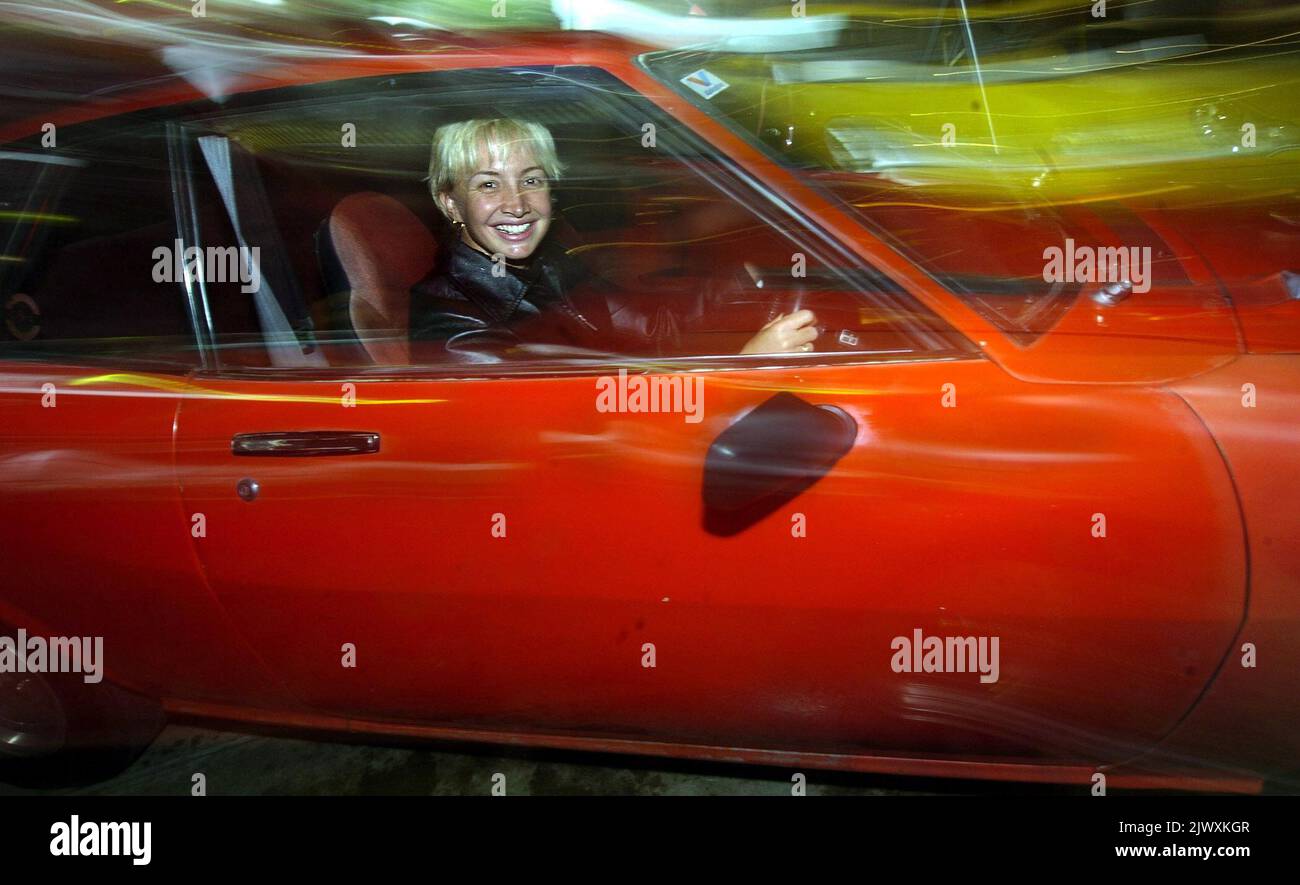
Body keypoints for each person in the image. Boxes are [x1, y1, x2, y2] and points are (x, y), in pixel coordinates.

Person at [408, 118, 818, 360]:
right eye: (488, 185)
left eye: (531, 180)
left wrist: (745, 281)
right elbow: (572, 436)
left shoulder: (550, 266)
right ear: (450, 204)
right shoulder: (452, 321)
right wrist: (743, 365)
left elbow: (651, 329)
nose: (517, 205)